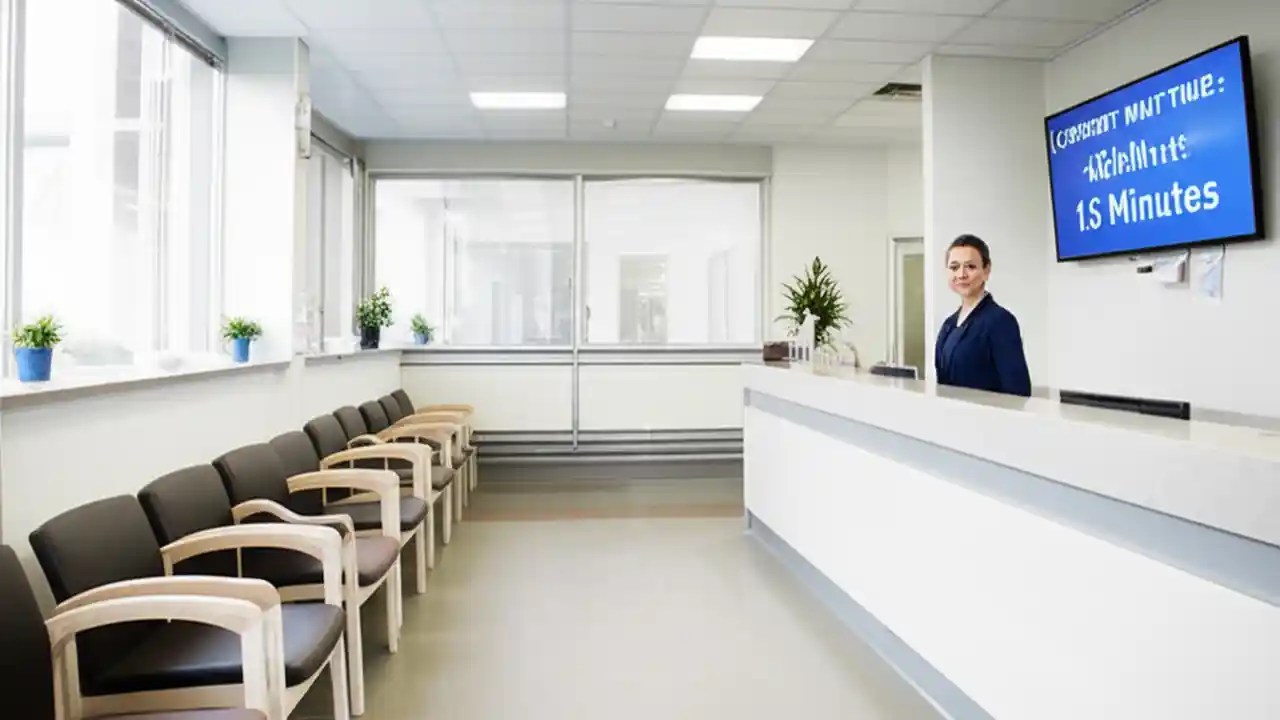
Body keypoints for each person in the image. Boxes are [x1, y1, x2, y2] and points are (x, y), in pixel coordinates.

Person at [934, 234, 1031, 397]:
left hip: (986, 420)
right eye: (954, 267)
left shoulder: (1000, 321)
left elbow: (1018, 391)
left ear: (986, 270)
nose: (961, 274)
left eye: (970, 267)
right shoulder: (949, 325)